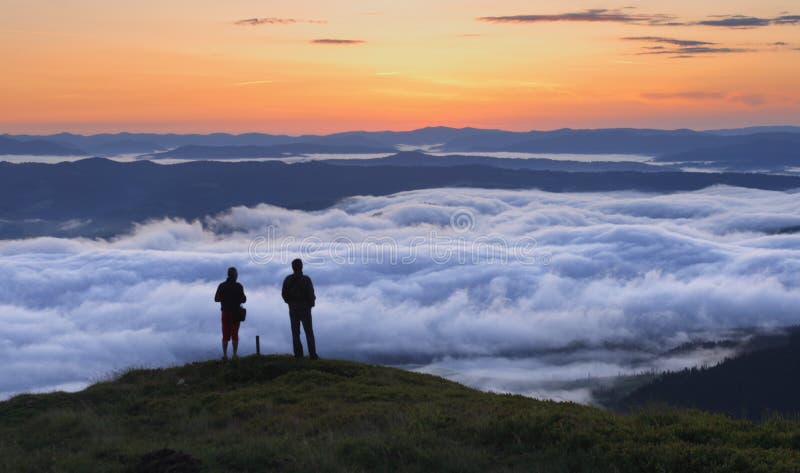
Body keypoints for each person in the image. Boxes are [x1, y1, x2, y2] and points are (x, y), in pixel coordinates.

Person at [282, 258, 318, 359]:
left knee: (295, 332)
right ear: (301, 267)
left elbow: (284, 294)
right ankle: (313, 355)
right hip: (305, 309)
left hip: (293, 309)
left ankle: (298, 355)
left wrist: (290, 303)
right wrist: (311, 304)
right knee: (309, 332)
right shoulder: (306, 279)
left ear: (292, 267)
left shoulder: (288, 279)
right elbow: (311, 294)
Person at [214, 267, 246, 360]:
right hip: (236, 313)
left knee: (225, 334)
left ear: (228, 275)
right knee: (235, 334)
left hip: (225, 313)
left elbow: (216, 299)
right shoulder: (238, 286)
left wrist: (224, 299)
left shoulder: (222, 285)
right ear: (235, 275)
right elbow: (244, 299)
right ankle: (235, 355)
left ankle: (225, 355)